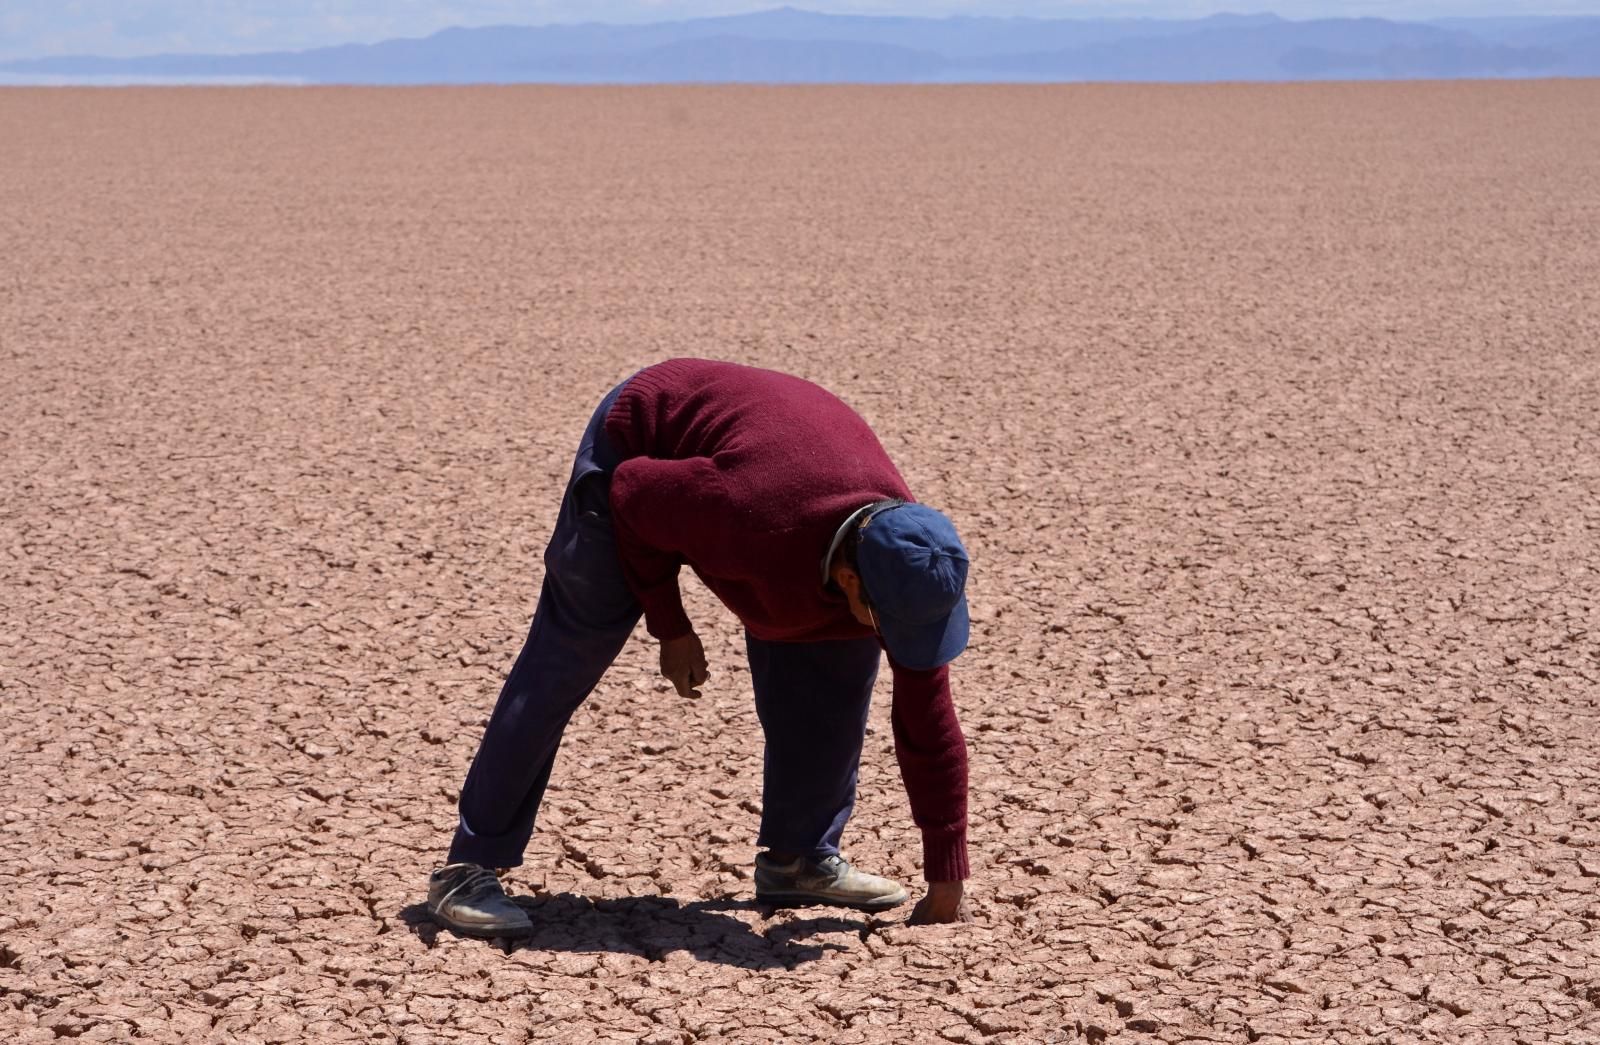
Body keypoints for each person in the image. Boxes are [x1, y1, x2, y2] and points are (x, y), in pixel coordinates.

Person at [426, 358, 971, 937]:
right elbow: (631, 492)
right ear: (852, 579)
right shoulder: (749, 512)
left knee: (833, 669)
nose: (897, 636)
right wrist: (671, 626)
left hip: (770, 487)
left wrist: (946, 877)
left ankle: (799, 858)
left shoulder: (908, 558)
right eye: (887, 620)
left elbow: (927, 723)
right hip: (641, 444)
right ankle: (467, 867)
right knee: (567, 654)